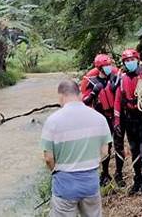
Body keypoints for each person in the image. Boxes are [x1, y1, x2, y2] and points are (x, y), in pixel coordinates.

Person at [41, 80, 112, 217]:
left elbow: (49, 158)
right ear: (80, 94)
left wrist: (56, 171)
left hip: (64, 184)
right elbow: (105, 152)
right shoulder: (99, 118)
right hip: (90, 181)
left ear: (61, 96)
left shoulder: (52, 121)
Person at [113, 48, 142, 195]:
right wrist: (117, 121)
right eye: (126, 61)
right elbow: (118, 100)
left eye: (132, 60)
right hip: (129, 120)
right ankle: (137, 180)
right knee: (134, 151)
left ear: (137, 60)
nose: (129, 63)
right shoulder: (122, 79)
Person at [82, 54, 120, 186]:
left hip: (114, 116)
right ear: (100, 68)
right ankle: (104, 173)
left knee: (117, 145)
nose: (109, 68)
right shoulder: (92, 82)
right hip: (100, 118)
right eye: (106, 66)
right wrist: (93, 93)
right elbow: (85, 102)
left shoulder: (115, 78)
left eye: (109, 65)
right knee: (104, 146)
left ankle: (118, 173)